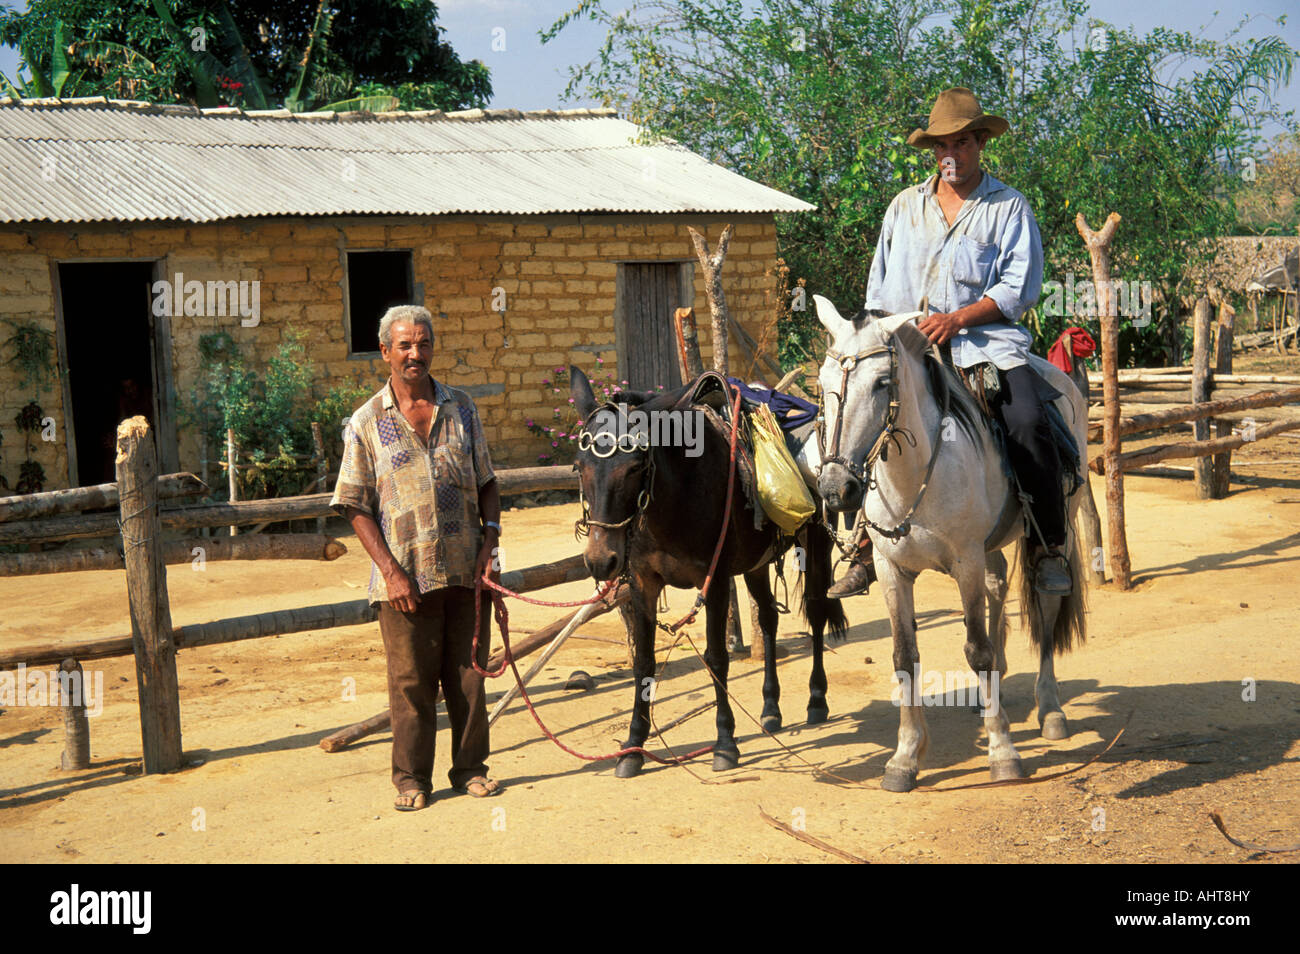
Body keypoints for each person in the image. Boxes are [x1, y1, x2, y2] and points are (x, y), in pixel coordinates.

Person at [827, 87, 1072, 599]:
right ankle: (864, 546)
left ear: (980, 143)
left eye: (961, 144)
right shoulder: (902, 208)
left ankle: (1049, 545)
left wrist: (959, 319)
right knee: (858, 416)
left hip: (985, 346)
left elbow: (1018, 287)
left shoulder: (1007, 206)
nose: (950, 156)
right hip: (908, 348)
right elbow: (879, 288)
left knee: (1027, 421)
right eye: (941, 147)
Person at [331, 305, 504, 811]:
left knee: (470, 674)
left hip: (466, 570)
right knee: (410, 684)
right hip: (404, 578)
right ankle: (411, 779)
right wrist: (391, 571)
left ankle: (470, 769)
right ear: (385, 352)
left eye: (423, 343)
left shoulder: (462, 408)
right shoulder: (366, 421)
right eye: (404, 345)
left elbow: (489, 481)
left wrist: (490, 544)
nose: (415, 354)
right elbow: (354, 504)